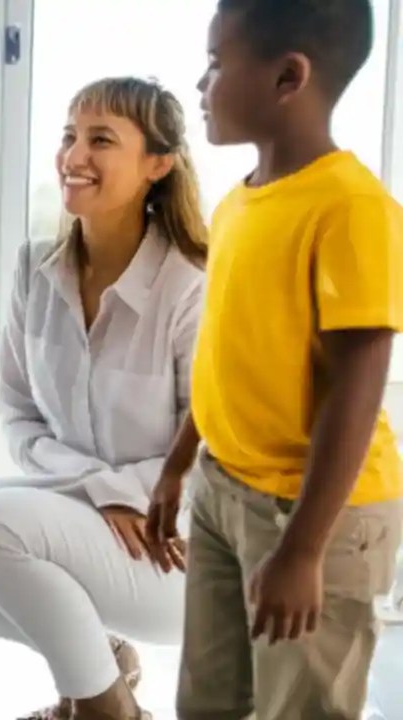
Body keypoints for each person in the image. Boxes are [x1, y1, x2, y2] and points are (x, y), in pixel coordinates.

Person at [0, 77, 208, 720]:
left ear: (158, 165)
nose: (74, 156)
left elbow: (207, 449)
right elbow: (19, 414)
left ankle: (103, 710)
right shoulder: (35, 266)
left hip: (172, 543)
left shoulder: (192, 286)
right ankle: (103, 661)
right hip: (79, 511)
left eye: (101, 139)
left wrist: (28, 498)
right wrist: (83, 491)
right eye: (69, 136)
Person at [145, 2, 403, 718]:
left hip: (319, 513)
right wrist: (177, 464)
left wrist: (304, 549)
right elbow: (226, 354)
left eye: (218, 62)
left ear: (289, 76)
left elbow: (358, 384)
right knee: (208, 701)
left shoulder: (351, 208)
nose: (201, 84)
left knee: (300, 708)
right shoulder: (236, 207)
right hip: (227, 491)